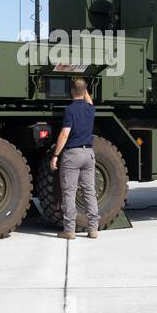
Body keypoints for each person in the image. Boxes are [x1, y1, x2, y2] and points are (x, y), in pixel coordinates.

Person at [50, 77, 98, 240]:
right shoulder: (91, 109)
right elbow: (89, 100)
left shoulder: (70, 110)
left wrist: (55, 155)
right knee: (89, 192)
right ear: (85, 92)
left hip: (73, 155)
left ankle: (69, 230)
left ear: (71, 92)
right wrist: (85, 89)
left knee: (69, 193)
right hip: (89, 154)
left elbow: (64, 134)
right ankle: (93, 229)